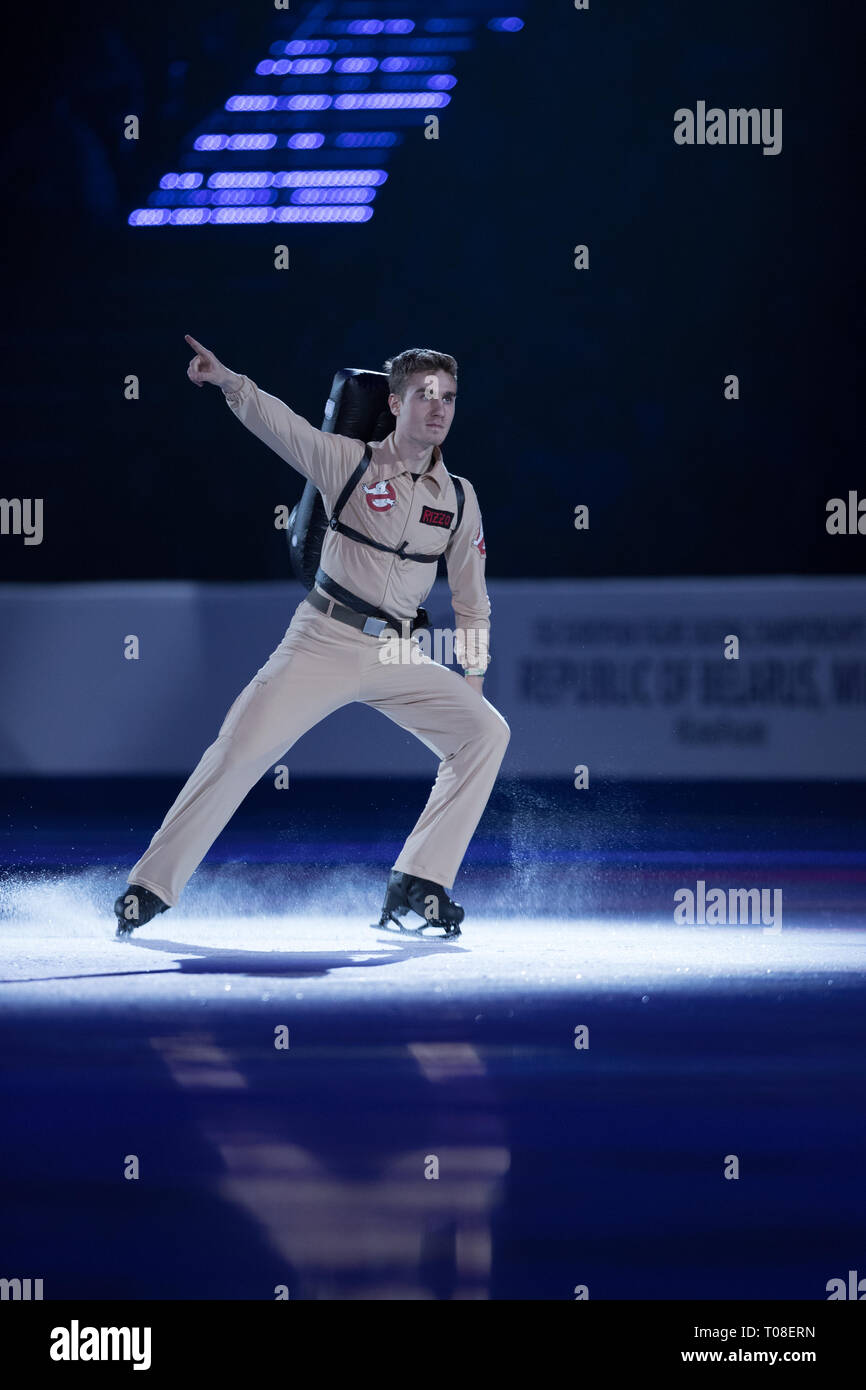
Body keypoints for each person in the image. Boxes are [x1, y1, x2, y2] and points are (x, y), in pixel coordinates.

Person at [113, 336, 510, 940]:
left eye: (450, 398)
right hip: (324, 638)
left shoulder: (459, 498)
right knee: (239, 750)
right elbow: (282, 427)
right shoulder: (347, 460)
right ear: (396, 402)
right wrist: (228, 380)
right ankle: (150, 886)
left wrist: (473, 682)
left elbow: (472, 603)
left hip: (397, 652)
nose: (439, 408)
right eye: (425, 395)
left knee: (485, 731)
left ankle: (419, 883)